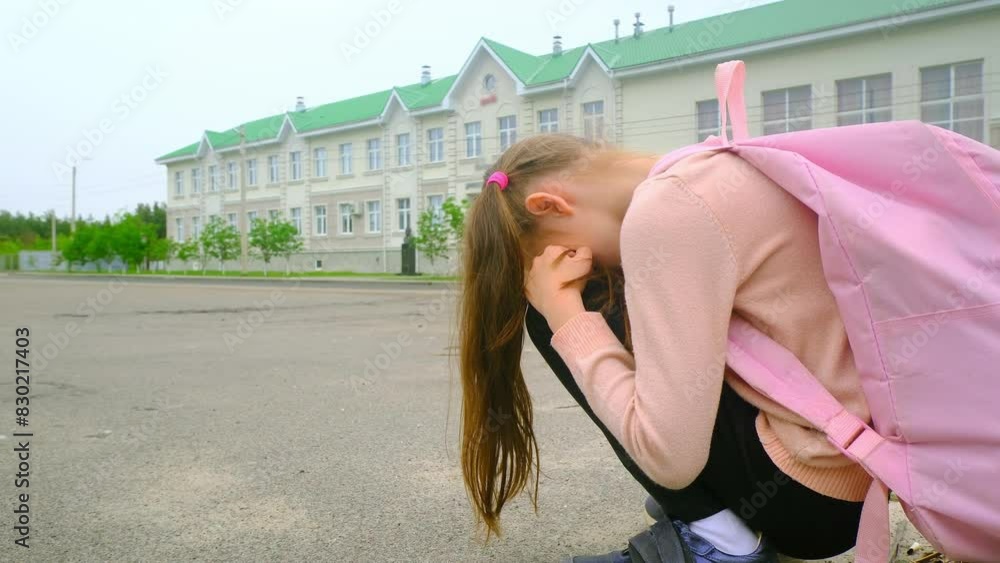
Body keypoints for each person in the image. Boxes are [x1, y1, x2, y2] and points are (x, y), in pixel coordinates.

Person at [458, 134, 871, 562]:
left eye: (561, 252)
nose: (578, 261)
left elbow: (670, 460)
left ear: (549, 205)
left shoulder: (664, 213)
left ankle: (723, 545)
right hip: (856, 469)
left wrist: (563, 312)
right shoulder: (706, 165)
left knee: (555, 312)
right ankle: (717, 512)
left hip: (810, 498)